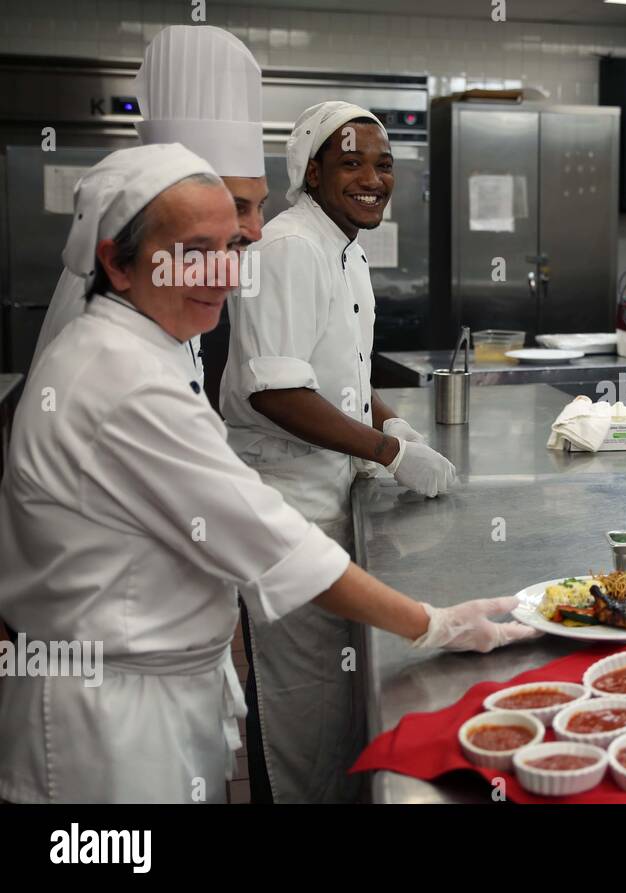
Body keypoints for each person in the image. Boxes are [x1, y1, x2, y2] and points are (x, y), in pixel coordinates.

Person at [0, 145, 537, 803]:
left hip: (142, 700)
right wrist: (433, 623)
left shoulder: (136, 344)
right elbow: (271, 541)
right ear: (116, 261)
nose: (224, 274)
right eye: (194, 251)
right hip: (106, 733)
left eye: (231, 246)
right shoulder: (123, 379)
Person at [221, 101, 457, 802]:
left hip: (328, 496)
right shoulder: (289, 247)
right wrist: (388, 451)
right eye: (351, 162)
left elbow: (341, 372)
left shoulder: (344, 247)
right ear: (313, 172)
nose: (372, 178)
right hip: (287, 504)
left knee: (332, 687)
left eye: (383, 164)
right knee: (301, 700)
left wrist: (396, 425)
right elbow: (276, 391)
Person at [31, 24, 269, 391]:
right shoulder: (119, 316)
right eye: (235, 207)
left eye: (260, 206)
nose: (257, 231)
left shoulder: (178, 275)